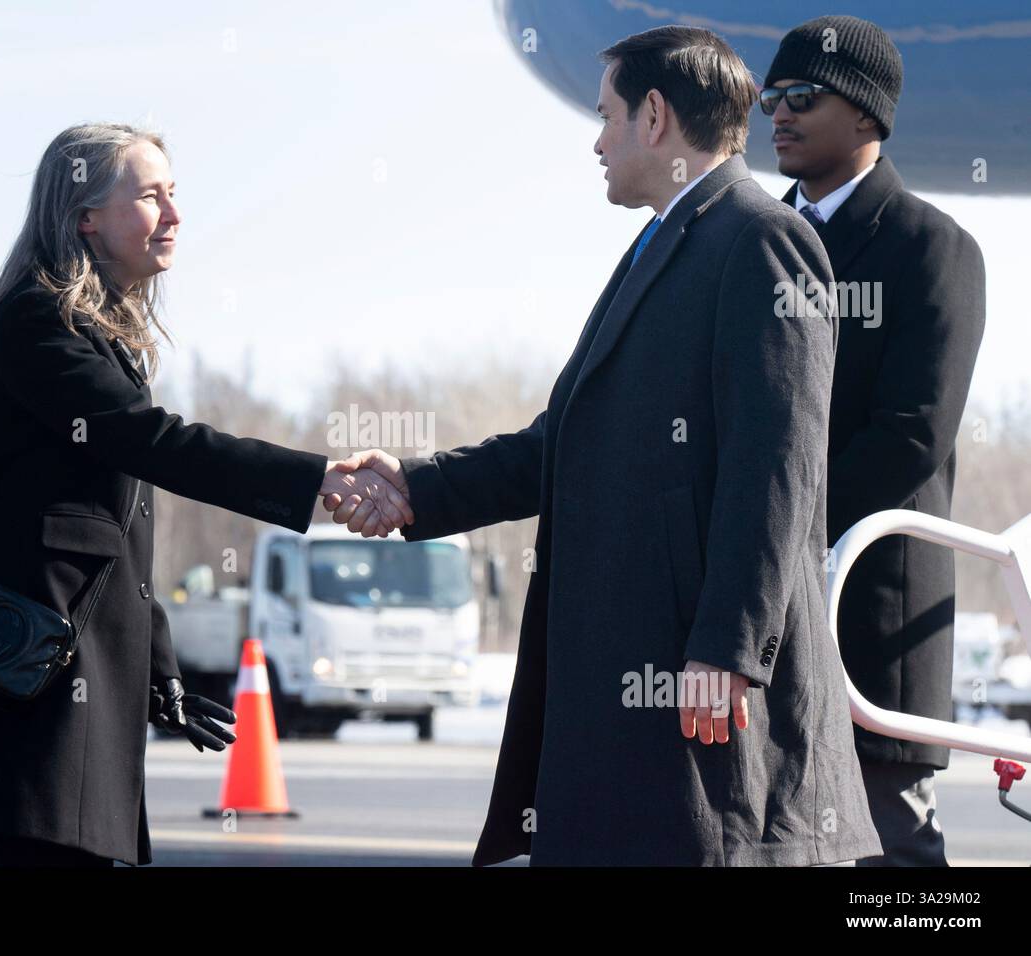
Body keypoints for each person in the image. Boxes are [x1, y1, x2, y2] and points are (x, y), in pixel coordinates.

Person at [327, 26, 883, 865]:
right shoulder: (668, 241)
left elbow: (779, 464)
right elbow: (569, 442)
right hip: (625, 697)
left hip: (699, 699)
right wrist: (419, 487)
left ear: (655, 116)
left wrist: (729, 647)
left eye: (608, 115)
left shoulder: (760, 239)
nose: (597, 141)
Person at [0, 123, 411, 867]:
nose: (175, 214)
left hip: (74, 672)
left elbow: (116, 531)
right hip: (32, 678)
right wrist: (314, 478)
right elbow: (151, 440)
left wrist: (161, 671)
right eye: (151, 196)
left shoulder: (96, 332)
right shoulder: (35, 320)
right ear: (85, 216)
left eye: (174, 194)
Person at [763, 15, 986, 866]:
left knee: (888, 870)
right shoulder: (745, 245)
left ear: (865, 115)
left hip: (865, 614)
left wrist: (770, 529)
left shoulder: (933, 249)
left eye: (800, 98)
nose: (775, 116)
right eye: (768, 99)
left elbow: (910, 436)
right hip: (752, 621)